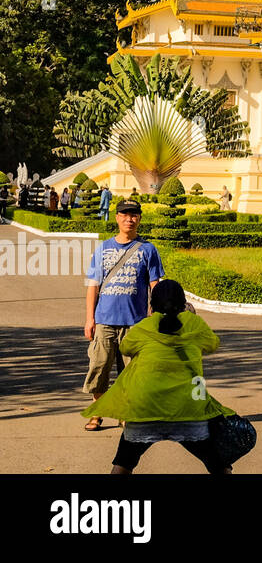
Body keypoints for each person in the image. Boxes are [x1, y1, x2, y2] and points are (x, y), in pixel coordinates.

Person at [82, 280, 236, 474]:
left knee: (123, 465)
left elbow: (125, 348)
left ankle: (109, 505)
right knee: (218, 466)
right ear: (183, 304)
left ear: (152, 305)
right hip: (189, 410)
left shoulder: (144, 326)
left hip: (145, 409)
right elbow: (212, 344)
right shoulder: (194, 323)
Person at [83, 200, 165, 431]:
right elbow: (93, 286)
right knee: (99, 368)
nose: (130, 218)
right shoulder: (103, 249)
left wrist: (155, 315)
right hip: (105, 320)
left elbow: (155, 284)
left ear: (139, 218)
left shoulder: (148, 249)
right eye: (125, 214)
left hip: (135, 322)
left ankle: (126, 413)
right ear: (117, 217)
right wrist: (90, 319)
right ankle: (97, 412)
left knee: (130, 372)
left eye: (134, 214)